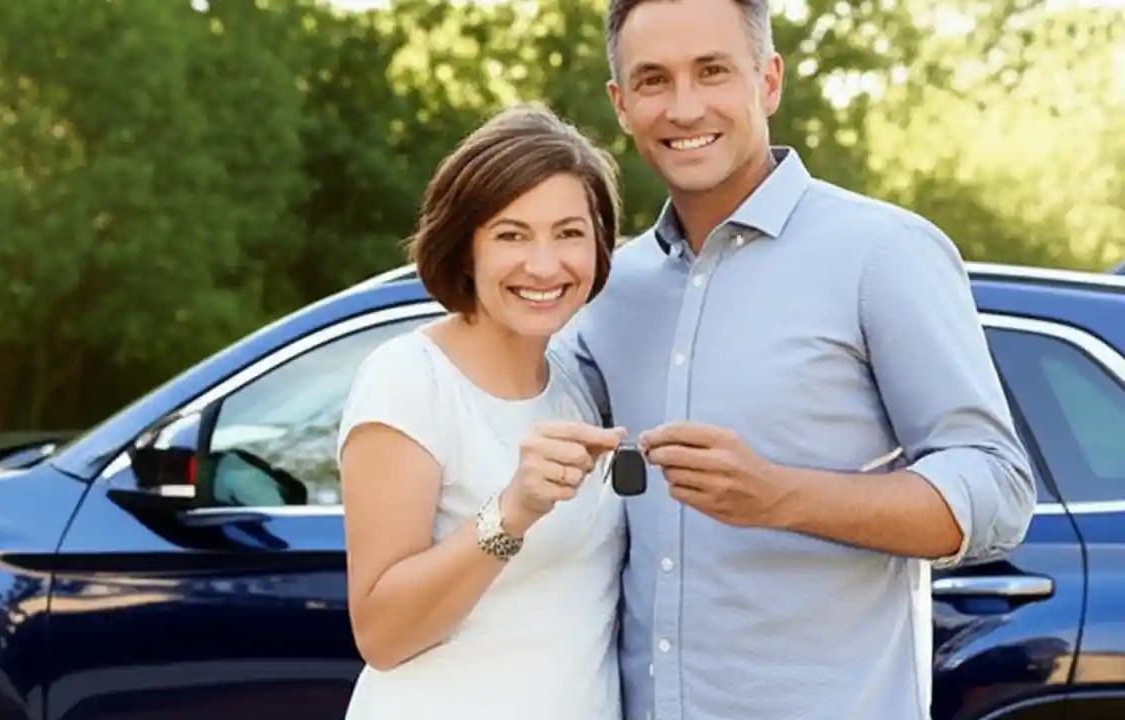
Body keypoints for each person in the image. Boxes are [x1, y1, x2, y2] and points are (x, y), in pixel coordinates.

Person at [555, 0, 1040, 718]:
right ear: (622, 105)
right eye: (653, 81)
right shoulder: (608, 289)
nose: (684, 107)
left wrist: (779, 495)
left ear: (769, 80)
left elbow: (997, 487)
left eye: (712, 71)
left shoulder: (884, 254)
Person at [336, 103, 629, 720]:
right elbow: (381, 634)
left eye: (569, 233)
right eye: (511, 234)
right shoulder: (409, 381)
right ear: (464, 246)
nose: (544, 265)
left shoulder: (578, 382)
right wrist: (512, 513)